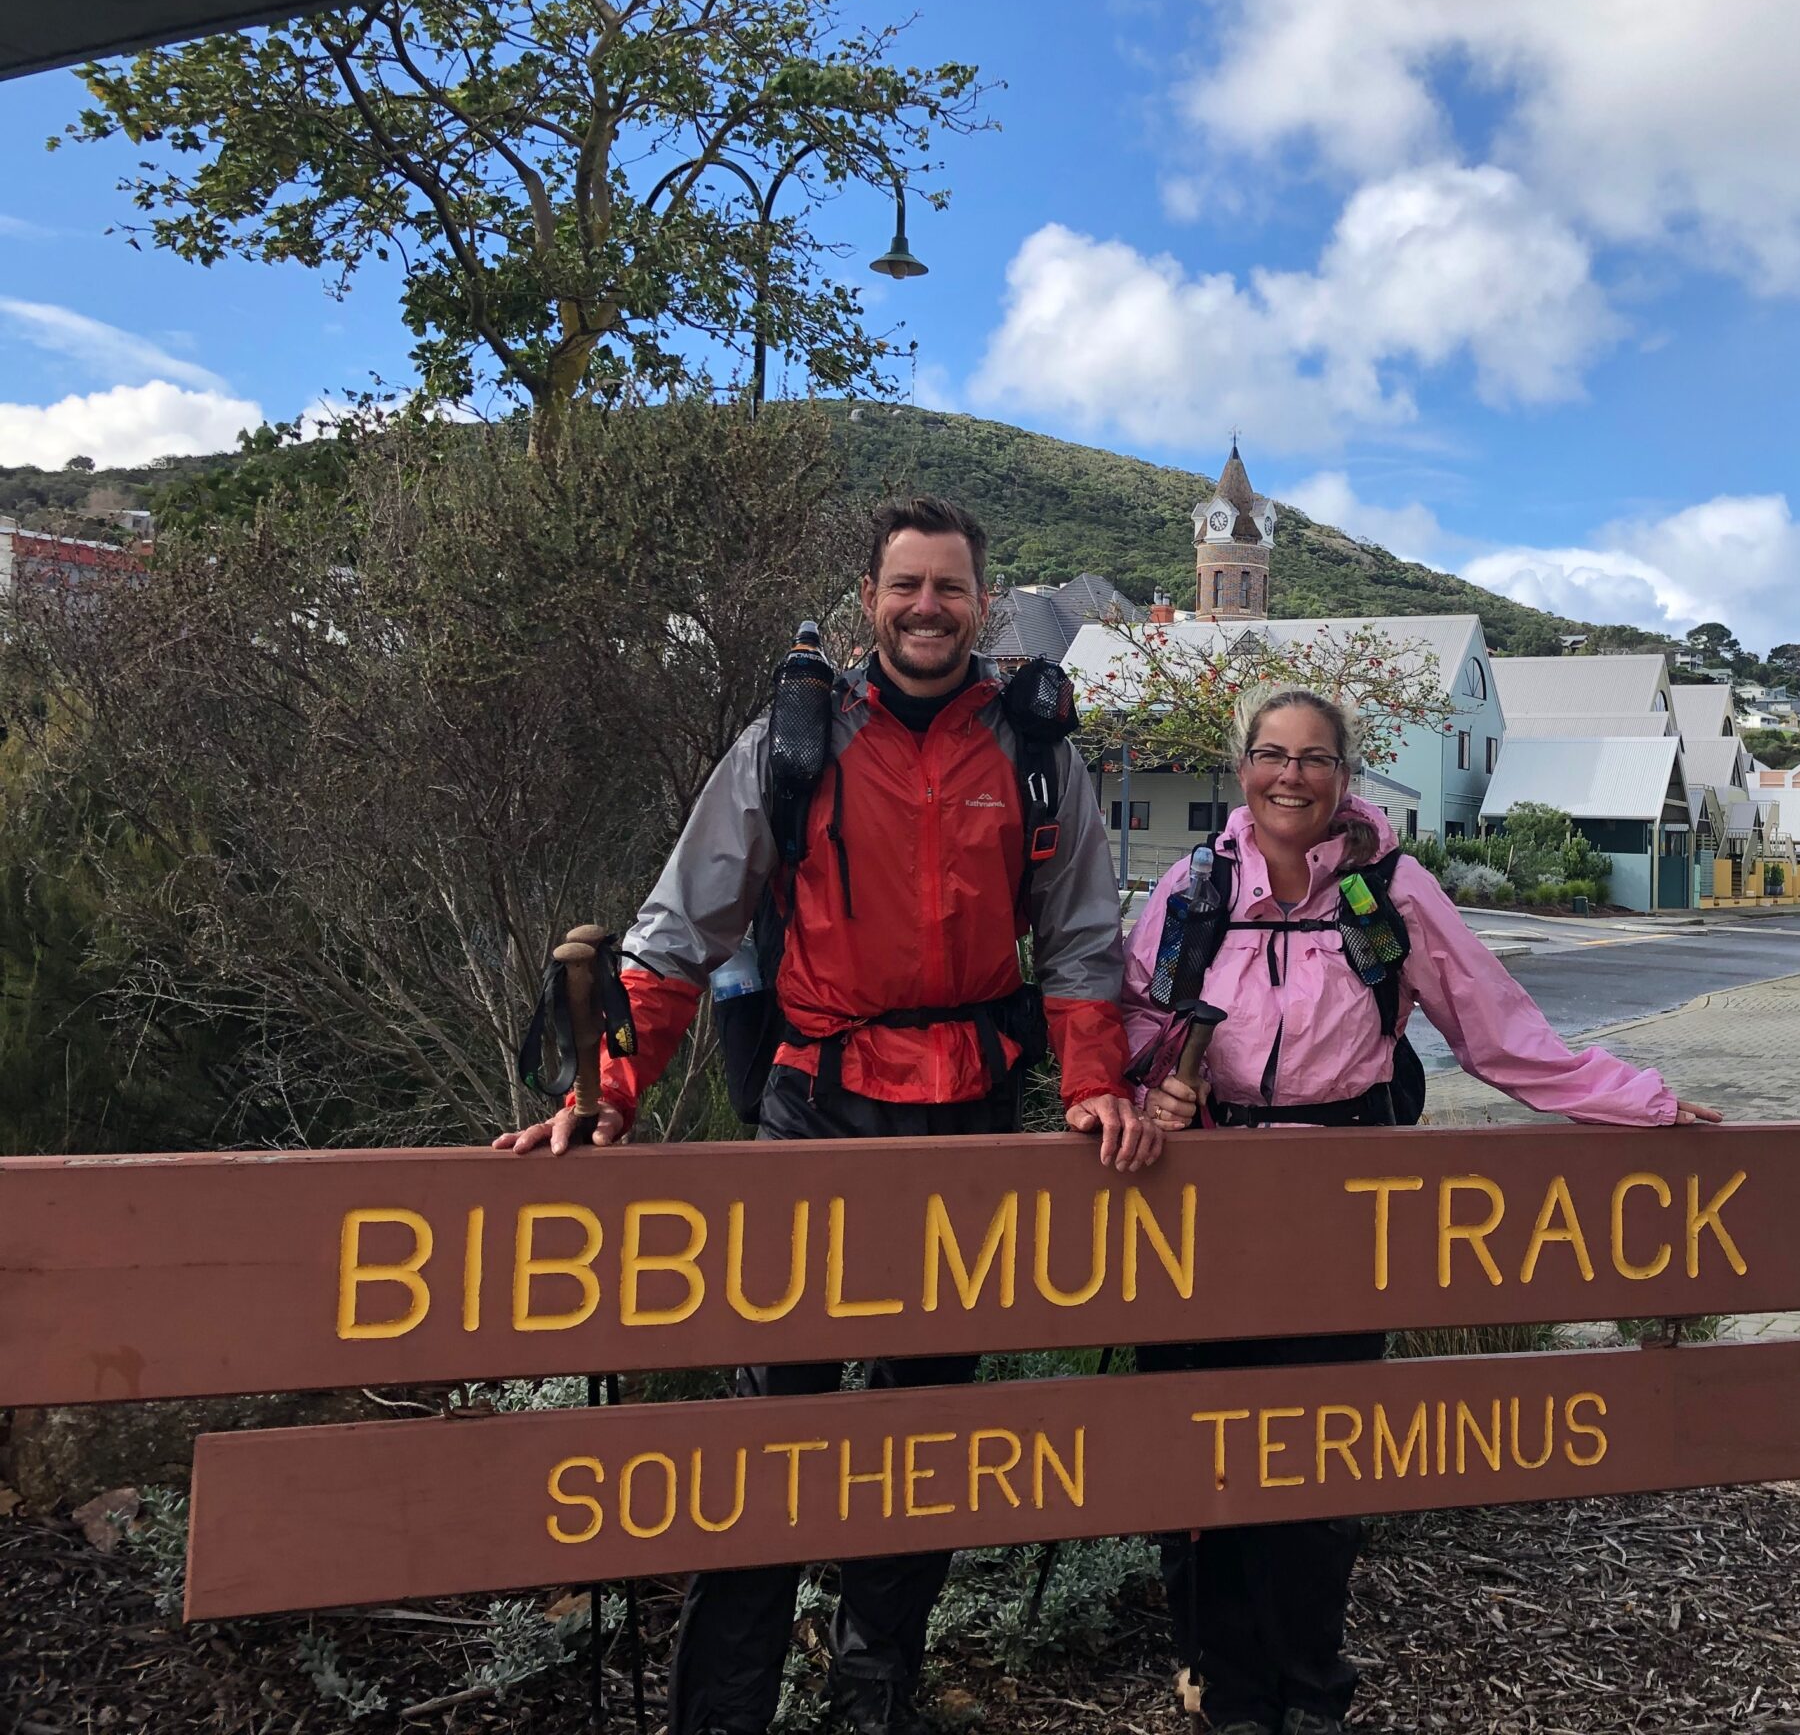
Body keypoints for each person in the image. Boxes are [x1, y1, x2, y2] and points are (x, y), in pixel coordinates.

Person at [493, 495, 1159, 1735]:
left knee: (926, 1444)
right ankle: (723, 1716)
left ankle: (874, 1703)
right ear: (868, 599)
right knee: (768, 1447)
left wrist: (1093, 1089)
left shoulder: (1034, 751)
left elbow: (1078, 950)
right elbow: (676, 934)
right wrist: (610, 1098)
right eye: (904, 585)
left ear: (985, 603)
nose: (926, 607)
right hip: (814, 1115)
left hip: (971, 1130)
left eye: (949, 588)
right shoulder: (787, 742)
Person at [1120, 682, 1718, 1735]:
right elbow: (1126, 1029)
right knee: (1196, 1459)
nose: (1289, 776)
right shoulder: (1191, 888)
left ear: (1345, 775)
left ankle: (1310, 1690)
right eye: (1270, 754)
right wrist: (1146, 1090)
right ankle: (1224, 1692)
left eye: (1313, 757)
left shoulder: (1392, 893)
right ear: (1242, 767)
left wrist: (1645, 1103)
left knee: (1314, 1464)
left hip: (1343, 1200)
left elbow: (1503, 1037)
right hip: (1201, 1203)